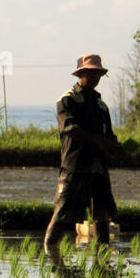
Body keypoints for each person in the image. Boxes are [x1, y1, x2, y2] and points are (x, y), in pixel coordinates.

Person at [44, 54, 119, 257]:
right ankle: (50, 255)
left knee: (102, 217)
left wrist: (112, 144)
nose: (95, 77)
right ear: (81, 74)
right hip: (75, 166)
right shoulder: (67, 99)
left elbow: (108, 134)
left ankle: (101, 265)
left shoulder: (101, 105)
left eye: (98, 73)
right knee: (62, 212)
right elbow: (71, 129)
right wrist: (98, 140)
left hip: (98, 168)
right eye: (91, 73)